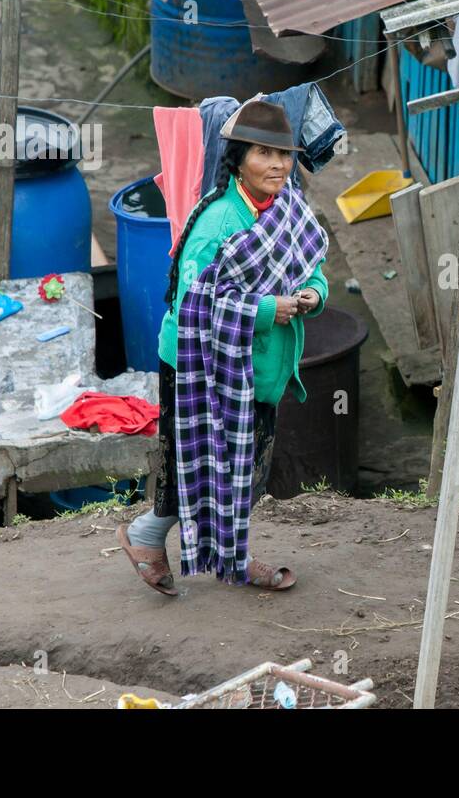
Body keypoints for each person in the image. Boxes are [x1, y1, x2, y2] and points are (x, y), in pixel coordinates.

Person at [117, 100, 328, 596]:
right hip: (199, 364)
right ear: (236, 159)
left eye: (284, 154)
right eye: (263, 153)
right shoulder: (217, 222)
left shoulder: (288, 207)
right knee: (196, 464)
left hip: (257, 364)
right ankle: (147, 536)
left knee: (245, 464)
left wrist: (314, 293)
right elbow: (195, 302)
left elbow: (311, 264)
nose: (277, 165)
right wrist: (261, 310)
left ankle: (232, 554)